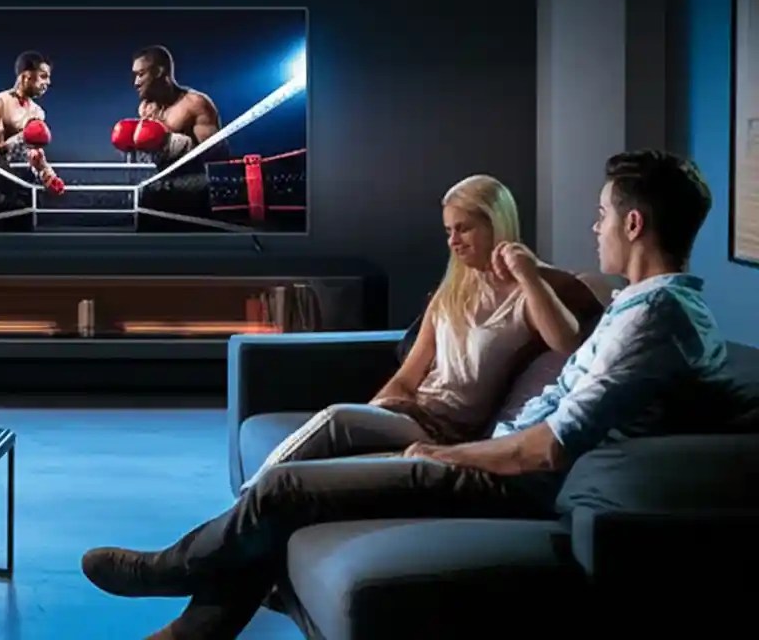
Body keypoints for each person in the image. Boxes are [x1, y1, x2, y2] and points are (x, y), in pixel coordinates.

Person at [82, 149, 732, 640]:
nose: (595, 228)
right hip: (494, 460)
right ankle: (191, 631)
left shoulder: (655, 320)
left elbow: (549, 447)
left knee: (285, 490)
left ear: (635, 222)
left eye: (602, 215)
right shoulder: (640, 307)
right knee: (297, 495)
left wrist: (455, 456)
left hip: (505, 479)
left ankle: (168, 567)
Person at [243, 174, 603, 489]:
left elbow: (567, 341)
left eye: (464, 228)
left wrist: (528, 274)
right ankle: (270, 492)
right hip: (411, 413)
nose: (453, 241)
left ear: (496, 224)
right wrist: (375, 415)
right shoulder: (453, 289)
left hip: (444, 428)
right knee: (345, 429)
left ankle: (253, 493)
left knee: (335, 419)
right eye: (448, 230)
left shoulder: (528, 294)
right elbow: (408, 377)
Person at [110, 45, 226, 170]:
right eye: (135, 76)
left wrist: (180, 146)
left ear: (159, 72)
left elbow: (217, 158)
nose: (136, 82)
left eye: (141, 74)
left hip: (195, 180)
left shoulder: (195, 104)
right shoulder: (145, 108)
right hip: (164, 180)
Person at [0, 50, 65, 194]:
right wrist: (20, 138)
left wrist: (48, 175)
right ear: (26, 76)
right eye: (43, 76)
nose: (48, 83)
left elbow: (35, 154)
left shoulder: (38, 112)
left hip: (24, 182)